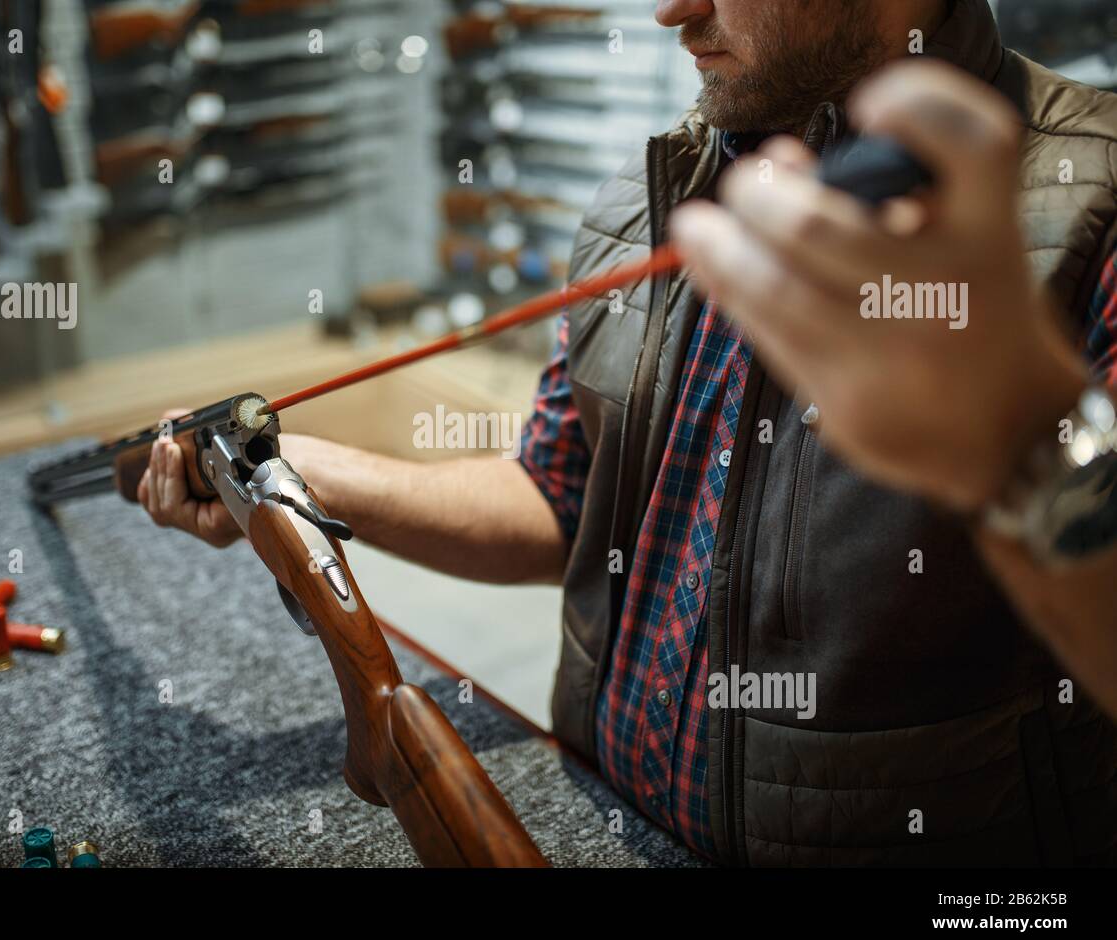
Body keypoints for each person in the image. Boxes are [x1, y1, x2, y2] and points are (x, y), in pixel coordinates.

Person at [137, 0, 1117, 865]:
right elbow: (561, 500)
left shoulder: (1096, 196)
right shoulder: (638, 200)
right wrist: (304, 471)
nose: (670, 10)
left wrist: (1022, 437)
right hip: (594, 825)